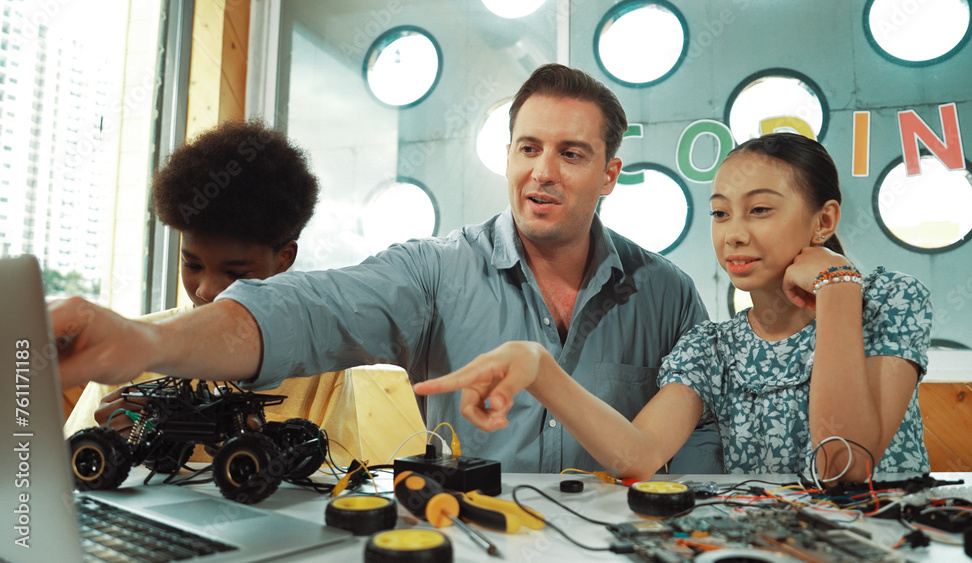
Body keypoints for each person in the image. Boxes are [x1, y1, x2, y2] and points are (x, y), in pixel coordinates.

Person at [52, 64, 721, 473]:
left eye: (572, 153)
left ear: (609, 174)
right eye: (528, 147)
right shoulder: (436, 269)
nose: (542, 171)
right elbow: (311, 310)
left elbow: (694, 457)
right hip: (467, 538)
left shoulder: (669, 296)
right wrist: (149, 343)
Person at [415, 132, 932, 482]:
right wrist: (540, 369)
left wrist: (837, 285)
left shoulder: (889, 300)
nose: (734, 234)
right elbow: (638, 455)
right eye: (720, 213)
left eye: (760, 210)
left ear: (824, 221)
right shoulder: (714, 345)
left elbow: (846, 464)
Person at [63, 119, 319, 436]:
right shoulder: (132, 345)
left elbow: (342, 474)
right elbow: (70, 471)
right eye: (192, 264)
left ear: (284, 259)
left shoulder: (317, 362)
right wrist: (121, 449)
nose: (207, 290)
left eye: (236, 273)